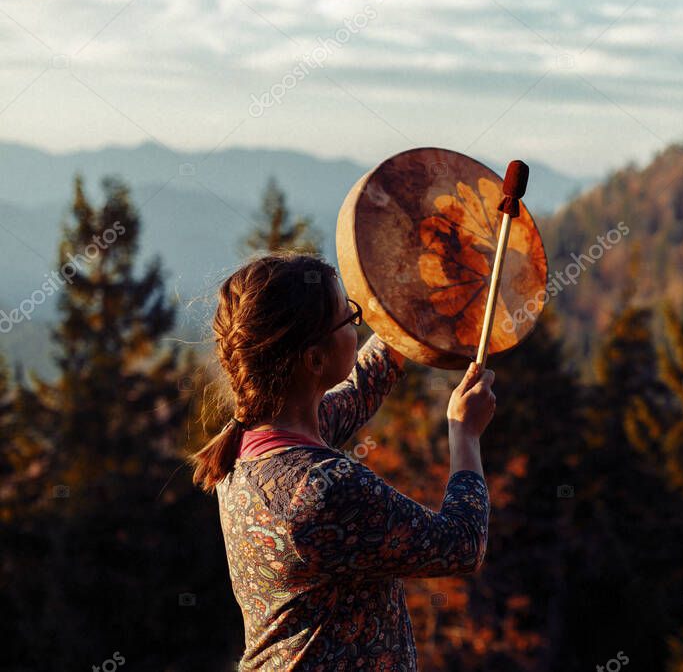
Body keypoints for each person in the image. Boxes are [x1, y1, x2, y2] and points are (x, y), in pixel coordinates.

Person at [189, 252, 496, 671]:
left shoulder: (249, 439)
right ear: (314, 360)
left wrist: (405, 311)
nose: (357, 324)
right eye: (347, 317)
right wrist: (465, 434)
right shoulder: (325, 488)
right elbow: (461, 545)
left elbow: (360, 391)